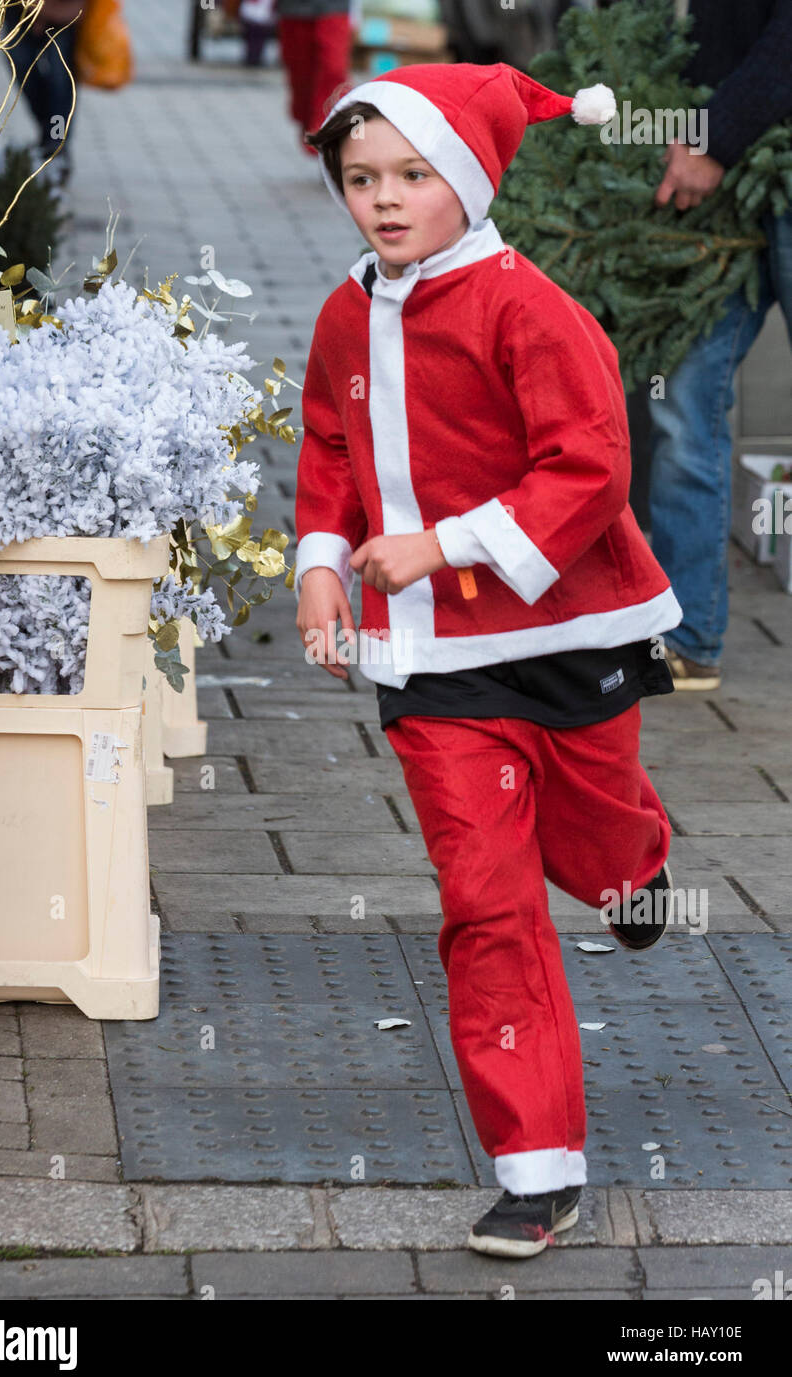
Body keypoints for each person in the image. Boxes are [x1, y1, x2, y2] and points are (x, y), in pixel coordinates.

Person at [293, 61, 682, 1258]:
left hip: (567, 637)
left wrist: (443, 547)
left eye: (412, 175)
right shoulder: (342, 316)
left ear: (463, 175)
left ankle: (632, 868)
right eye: (361, 180)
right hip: (434, 671)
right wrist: (320, 568)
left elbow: (589, 466)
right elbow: (327, 451)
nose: (386, 201)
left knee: (592, 837)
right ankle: (536, 1167)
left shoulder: (529, 309)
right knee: (484, 900)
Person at [646, 0, 792, 690]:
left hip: (741, 149)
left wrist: (714, 136)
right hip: (722, 170)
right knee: (684, 397)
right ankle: (687, 635)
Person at [5, 1, 87, 184]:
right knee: (21, 66)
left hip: (67, 7)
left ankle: (56, 144)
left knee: (60, 78)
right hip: (17, 8)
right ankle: (50, 133)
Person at [276, 0, 353, 157]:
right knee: (301, 74)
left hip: (334, 8)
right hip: (294, 10)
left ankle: (327, 127)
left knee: (333, 68)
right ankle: (310, 123)